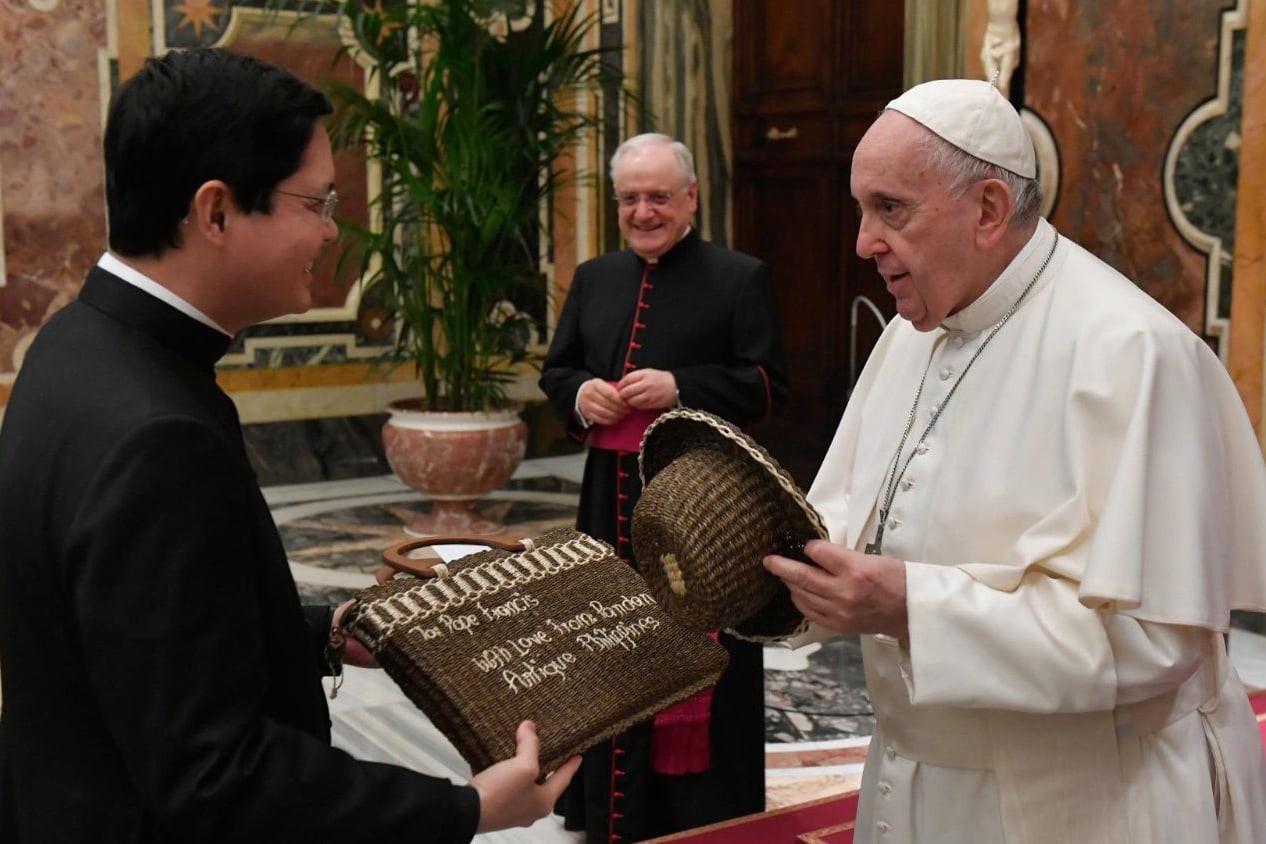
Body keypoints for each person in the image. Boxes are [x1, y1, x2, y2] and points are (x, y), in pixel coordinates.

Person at [0, 48, 576, 843]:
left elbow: (141, 634)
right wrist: (469, 808)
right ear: (216, 212)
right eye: (317, 202)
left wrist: (327, 630)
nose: (332, 231)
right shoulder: (157, 436)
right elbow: (217, 776)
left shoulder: (76, 343)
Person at [763, 78, 1266, 843]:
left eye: (890, 209)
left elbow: (1155, 641)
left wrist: (910, 607)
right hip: (916, 772)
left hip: (1086, 798)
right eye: (862, 209)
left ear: (989, 210)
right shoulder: (913, 332)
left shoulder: (1132, 353)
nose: (863, 242)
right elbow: (849, 515)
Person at [540, 132, 788, 842]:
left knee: (692, 650)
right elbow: (557, 373)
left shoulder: (739, 277)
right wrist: (585, 392)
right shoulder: (594, 278)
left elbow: (769, 386)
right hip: (605, 498)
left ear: (690, 198)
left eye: (657, 196)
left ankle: (698, 815)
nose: (643, 211)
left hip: (703, 505)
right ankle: (605, 807)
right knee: (610, 643)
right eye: (629, 199)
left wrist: (684, 386)